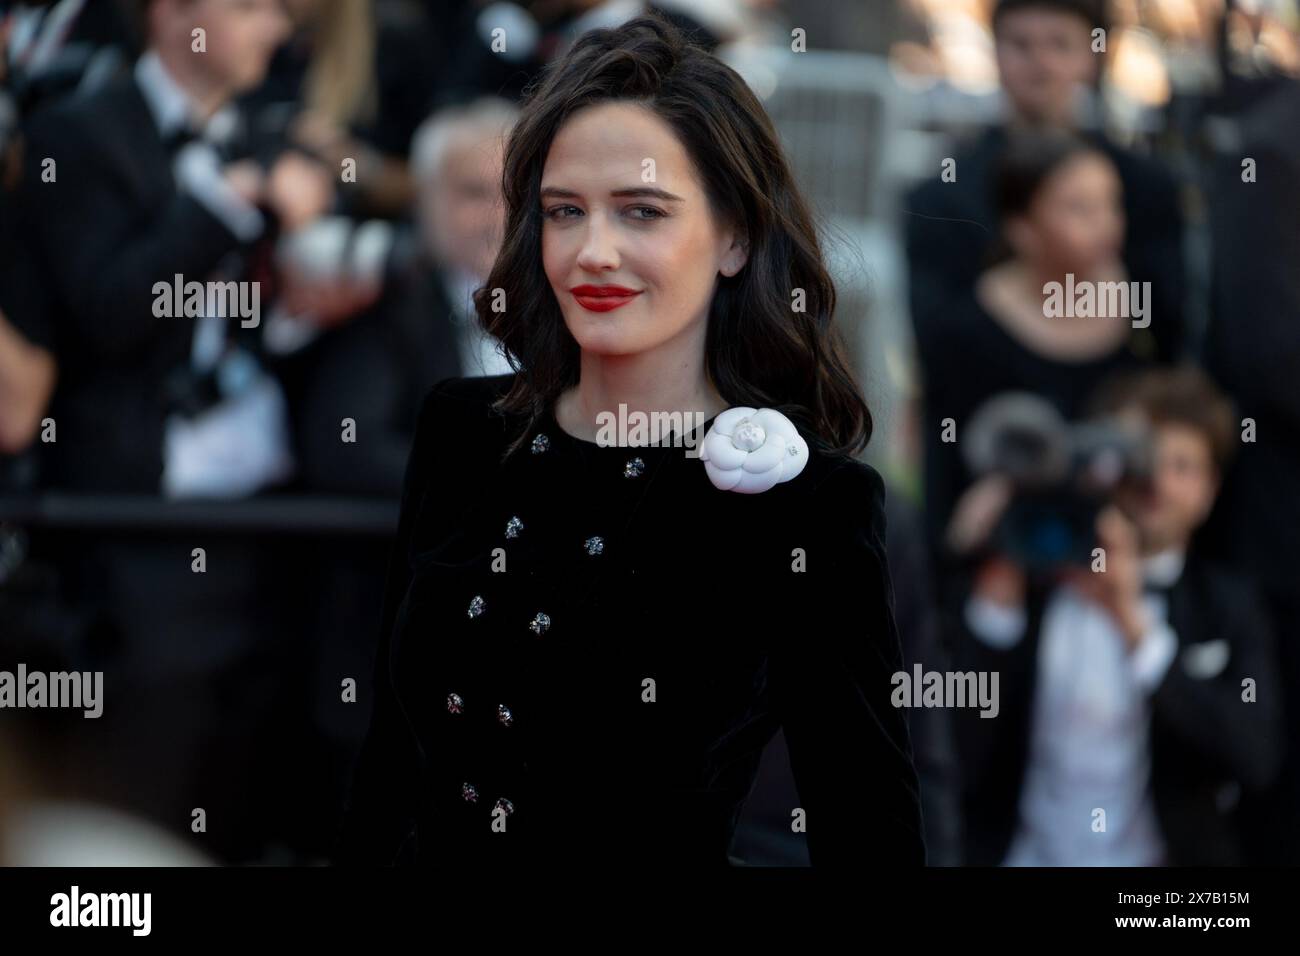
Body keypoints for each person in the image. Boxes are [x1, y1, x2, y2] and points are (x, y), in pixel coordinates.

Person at [338, 14, 925, 867]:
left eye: (642, 211)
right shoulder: (464, 432)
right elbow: (390, 763)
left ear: (734, 235)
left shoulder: (806, 505)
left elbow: (868, 826)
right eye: (564, 211)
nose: (593, 251)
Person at [950, 365, 1283, 865]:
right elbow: (951, 751)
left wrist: (1135, 627)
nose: (1156, 483)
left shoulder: (1226, 608)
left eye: (1183, 466)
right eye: (1141, 457)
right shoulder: (1037, 577)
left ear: (1212, 489)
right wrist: (997, 588)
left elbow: (1254, 757)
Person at [905, 0, 1186, 364]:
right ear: (996, 52)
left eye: (1060, 44)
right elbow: (935, 342)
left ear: (1093, 55)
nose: (1041, 64)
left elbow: (1168, 326)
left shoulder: (1147, 187)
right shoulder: (942, 199)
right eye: (1021, 45)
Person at [922, 131, 1151, 578]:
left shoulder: (1144, 305)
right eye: (1079, 208)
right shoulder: (968, 328)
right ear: (1022, 229)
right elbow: (946, 472)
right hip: (1006, 561)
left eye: (1111, 204)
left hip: (1115, 560)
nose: (1107, 224)